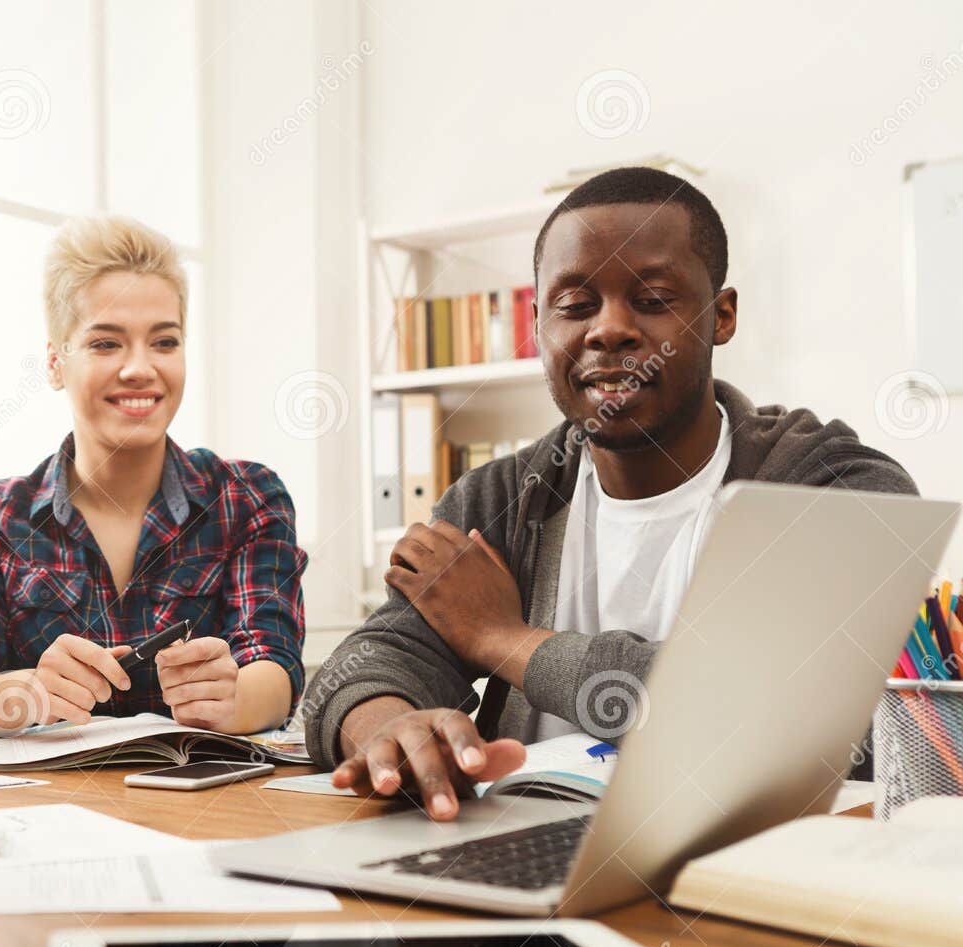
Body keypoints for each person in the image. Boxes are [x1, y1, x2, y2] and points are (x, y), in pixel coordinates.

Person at [308, 166, 917, 820]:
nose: (609, 329)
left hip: (747, 857)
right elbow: (361, 666)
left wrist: (505, 638)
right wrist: (385, 727)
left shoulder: (837, 487)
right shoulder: (499, 499)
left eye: (653, 299)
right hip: (515, 848)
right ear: (539, 325)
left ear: (722, 315)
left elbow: (770, 717)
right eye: (575, 306)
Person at [0, 215, 306, 736]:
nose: (140, 369)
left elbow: (275, 664)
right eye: (106, 344)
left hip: (197, 785)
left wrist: (233, 697)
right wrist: (28, 692)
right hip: (37, 787)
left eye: (165, 342)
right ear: (55, 363)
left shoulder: (248, 497)